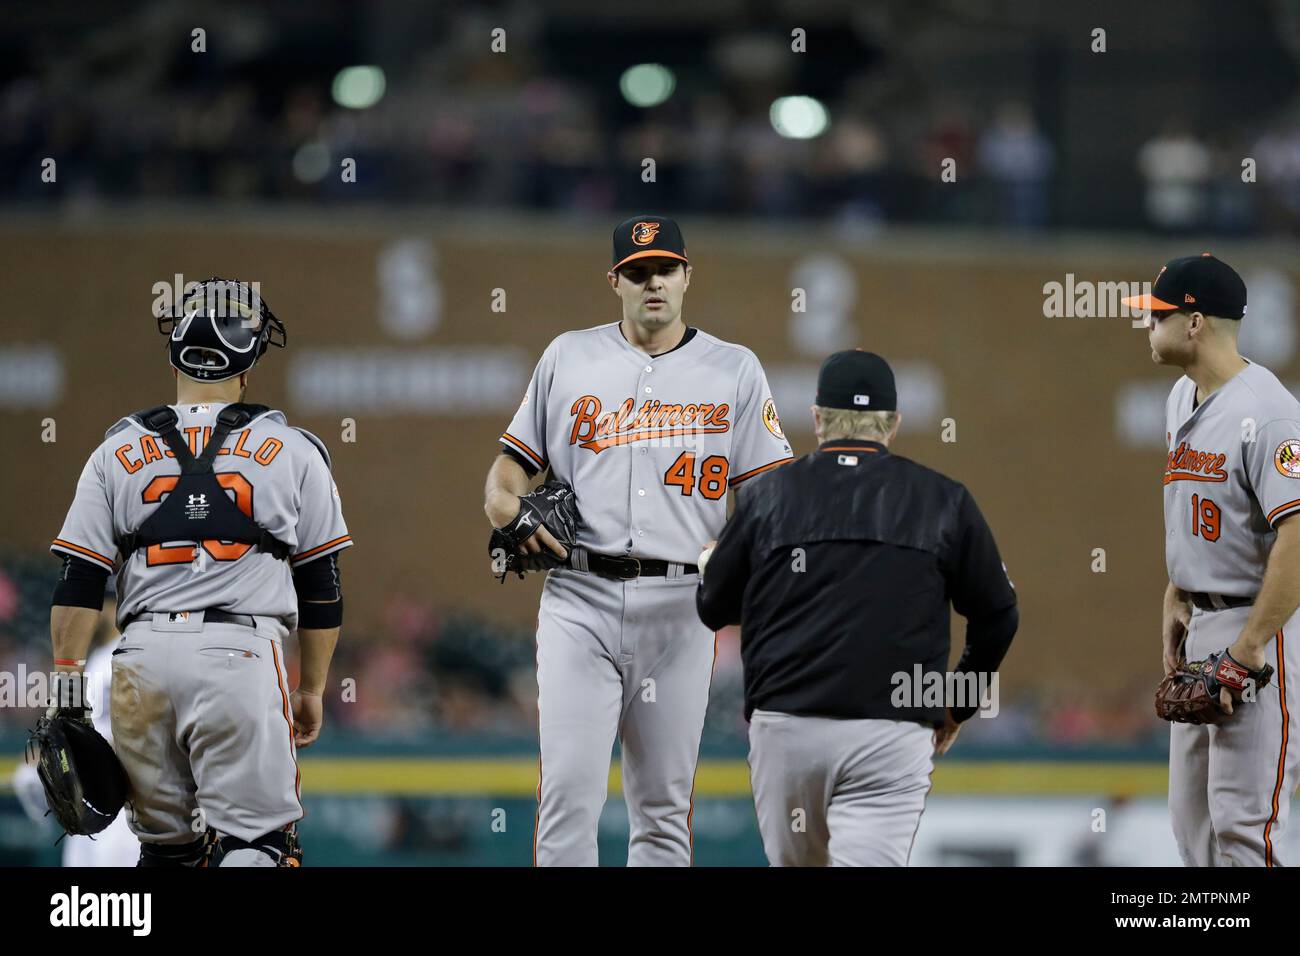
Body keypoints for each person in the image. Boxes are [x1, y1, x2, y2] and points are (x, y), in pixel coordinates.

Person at [483, 215, 794, 866]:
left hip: (683, 608)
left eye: (665, 269)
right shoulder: (567, 356)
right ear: (616, 282)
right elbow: (508, 473)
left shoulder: (734, 369)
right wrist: (506, 510)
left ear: (687, 277)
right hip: (580, 598)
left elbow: (771, 497)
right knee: (568, 796)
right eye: (638, 271)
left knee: (661, 809)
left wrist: (750, 569)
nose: (653, 282)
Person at [48, 278, 351, 866]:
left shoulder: (114, 452)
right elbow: (322, 588)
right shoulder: (293, 450)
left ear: (174, 357)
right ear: (247, 371)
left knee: (166, 853)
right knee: (258, 842)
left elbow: (78, 582)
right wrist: (311, 690)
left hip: (140, 665)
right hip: (237, 656)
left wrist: (66, 690)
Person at [695, 349, 1018, 866]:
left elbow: (713, 609)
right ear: (892, 424)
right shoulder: (943, 499)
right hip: (890, 733)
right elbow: (999, 613)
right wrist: (956, 701)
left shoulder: (768, 496)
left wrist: (714, 564)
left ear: (818, 419)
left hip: (787, 727)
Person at [1123, 254, 1300, 866]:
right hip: (1203, 623)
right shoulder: (1181, 397)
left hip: (1261, 630)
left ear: (1194, 322)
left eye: (1157, 315)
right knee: (1193, 828)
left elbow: (1298, 538)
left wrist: (1250, 648)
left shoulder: (1269, 412)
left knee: (1247, 827)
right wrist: (1178, 593)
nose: (1147, 325)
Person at [13, 586, 140, 866]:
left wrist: (73, 752)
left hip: (120, 801)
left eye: (94, 606)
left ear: (113, 608)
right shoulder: (96, 659)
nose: (83, 616)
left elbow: (132, 734)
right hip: (94, 796)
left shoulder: (123, 655)